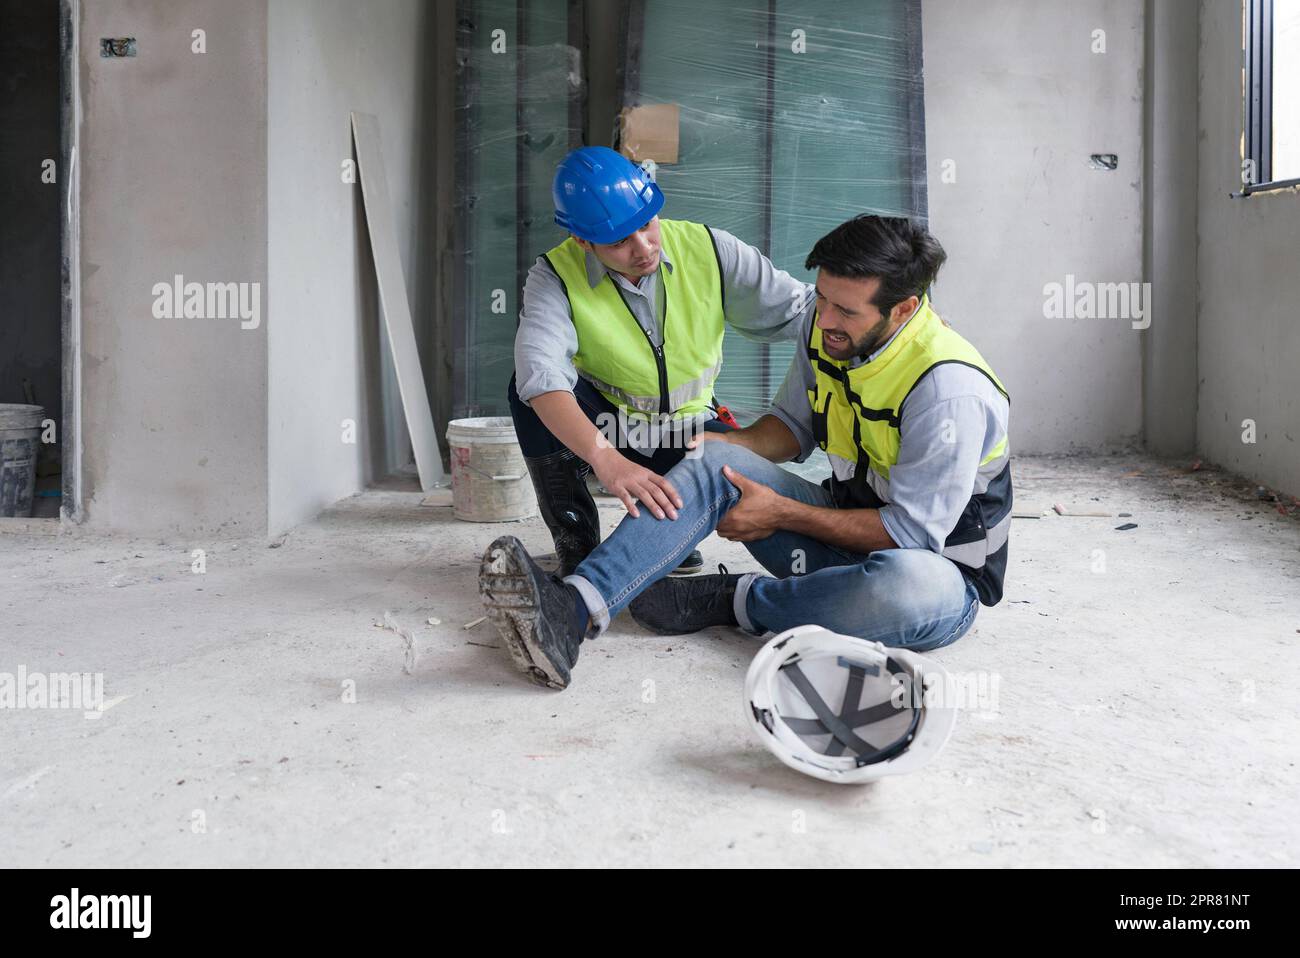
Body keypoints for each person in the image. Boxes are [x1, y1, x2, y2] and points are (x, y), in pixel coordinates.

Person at [483, 214, 1011, 692]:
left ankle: (732, 600)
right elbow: (788, 429)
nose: (823, 319)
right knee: (716, 463)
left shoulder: (949, 390)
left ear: (903, 309)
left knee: (912, 590)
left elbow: (913, 535)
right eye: (821, 299)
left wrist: (781, 512)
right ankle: (570, 611)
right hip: (839, 528)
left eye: (845, 310)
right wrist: (717, 453)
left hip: (934, 575)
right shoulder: (828, 332)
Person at [511, 146, 808, 577]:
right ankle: (576, 540)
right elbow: (540, 375)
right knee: (527, 393)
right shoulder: (554, 276)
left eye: (647, 225)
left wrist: (900, 322)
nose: (643, 248)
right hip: (610, 428)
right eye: (618, 242)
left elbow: (803, 310)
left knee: (735, 480)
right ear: (582, 240)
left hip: (689, 433)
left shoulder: (709, 249)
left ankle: (667, 534)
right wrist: (606, 460)